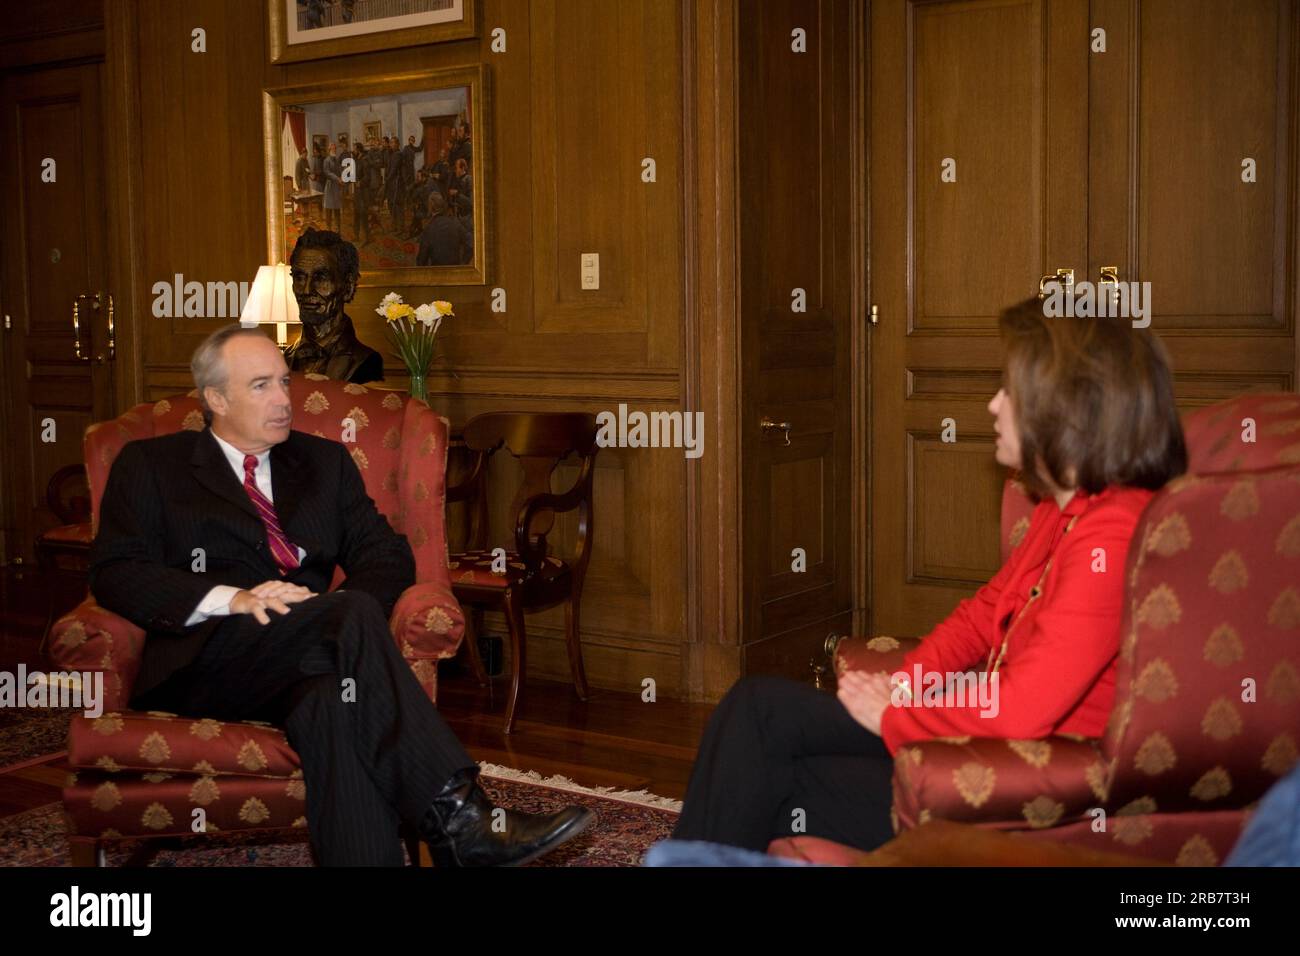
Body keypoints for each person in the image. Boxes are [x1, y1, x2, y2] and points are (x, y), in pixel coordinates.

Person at [671, 297, 1189, 852]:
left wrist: (895, 711)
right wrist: (906, 681)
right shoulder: (1061, 510)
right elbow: (981, 617)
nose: (993, 406)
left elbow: (1022, 709)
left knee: (770, 775)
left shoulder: (1109, 535)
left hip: (1023, 781)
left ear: (1065, 408)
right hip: (979, 735)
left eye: (1009, 392)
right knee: (758, 713)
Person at [89, 324, 595, 866]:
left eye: (284, 383)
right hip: (203, 661)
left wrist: (325, 617)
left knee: (330, 702)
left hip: (308, 655)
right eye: (261, 386)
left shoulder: (324, 463)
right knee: (345, 619)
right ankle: (459, 818)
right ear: (216, 399)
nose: (284, 400)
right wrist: (230, 598)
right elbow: (116, 572)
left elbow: (386, 556)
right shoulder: (151, 465)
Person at [282, 228, 382, 382]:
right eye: (300, 277)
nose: (306, 290)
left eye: (321, 278)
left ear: (348, 287)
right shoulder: (281, 361)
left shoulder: (365, 362)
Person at [417, 191, 469, 266]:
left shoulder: (428, 228)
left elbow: (421, 261)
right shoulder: (455, 222)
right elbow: (471, 244)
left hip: (438, 273)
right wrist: (464, 263)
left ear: (431, 207)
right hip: (456, 271)